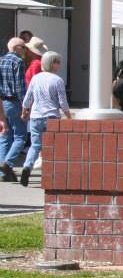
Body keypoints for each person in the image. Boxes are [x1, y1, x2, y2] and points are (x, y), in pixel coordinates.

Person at [20, 51, 70, 187]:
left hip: (35, 116)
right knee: (52, 146)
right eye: (57, 62)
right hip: (51, 116)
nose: (59, 65)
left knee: (35, 145)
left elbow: (28, 97)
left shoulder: (36, 78)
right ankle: (50, 174)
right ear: (52, 64)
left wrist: (25, 111)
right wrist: (68, 115)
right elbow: (62, 101)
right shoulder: (57, 80)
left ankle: (27, 167)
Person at [0, 38, 28, 182]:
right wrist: (26, 106)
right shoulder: (18, 62)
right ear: (16, 48)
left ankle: (3, 173)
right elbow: (20, 88)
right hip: (14, 102)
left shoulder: (1, 60)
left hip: (2, 101)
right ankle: (7, 163)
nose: (25, 50)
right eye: (23, 47)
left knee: (5, 135)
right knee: (21, 135)